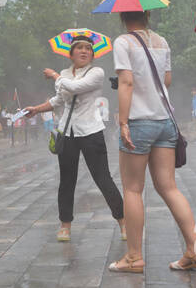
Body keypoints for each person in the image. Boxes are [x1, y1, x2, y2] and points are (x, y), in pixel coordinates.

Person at [106, 10, 196, 273]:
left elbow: (127, 82)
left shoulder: (123, 42)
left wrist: (124, 121)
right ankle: (195, 249)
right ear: (147, 15)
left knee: (132, 189)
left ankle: (133, 257)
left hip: (139, 121)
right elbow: (167, 81)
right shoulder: (162, 42)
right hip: (165, 121)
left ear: (123, 17)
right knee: (169, 187)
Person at [24, 35, 125, 242]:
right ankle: (65, 225)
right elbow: (59, 100)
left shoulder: (96, 72)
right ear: (71, 53)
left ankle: (123, 222)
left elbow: (76, 88)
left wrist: (54, 76)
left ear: (92, 54)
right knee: (67, 180)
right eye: (79, 48)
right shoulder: (65, 74)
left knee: (103, 178)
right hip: (67, 132)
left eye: (88, 48)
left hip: (91, 131)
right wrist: (36, 109)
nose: (84, 51)